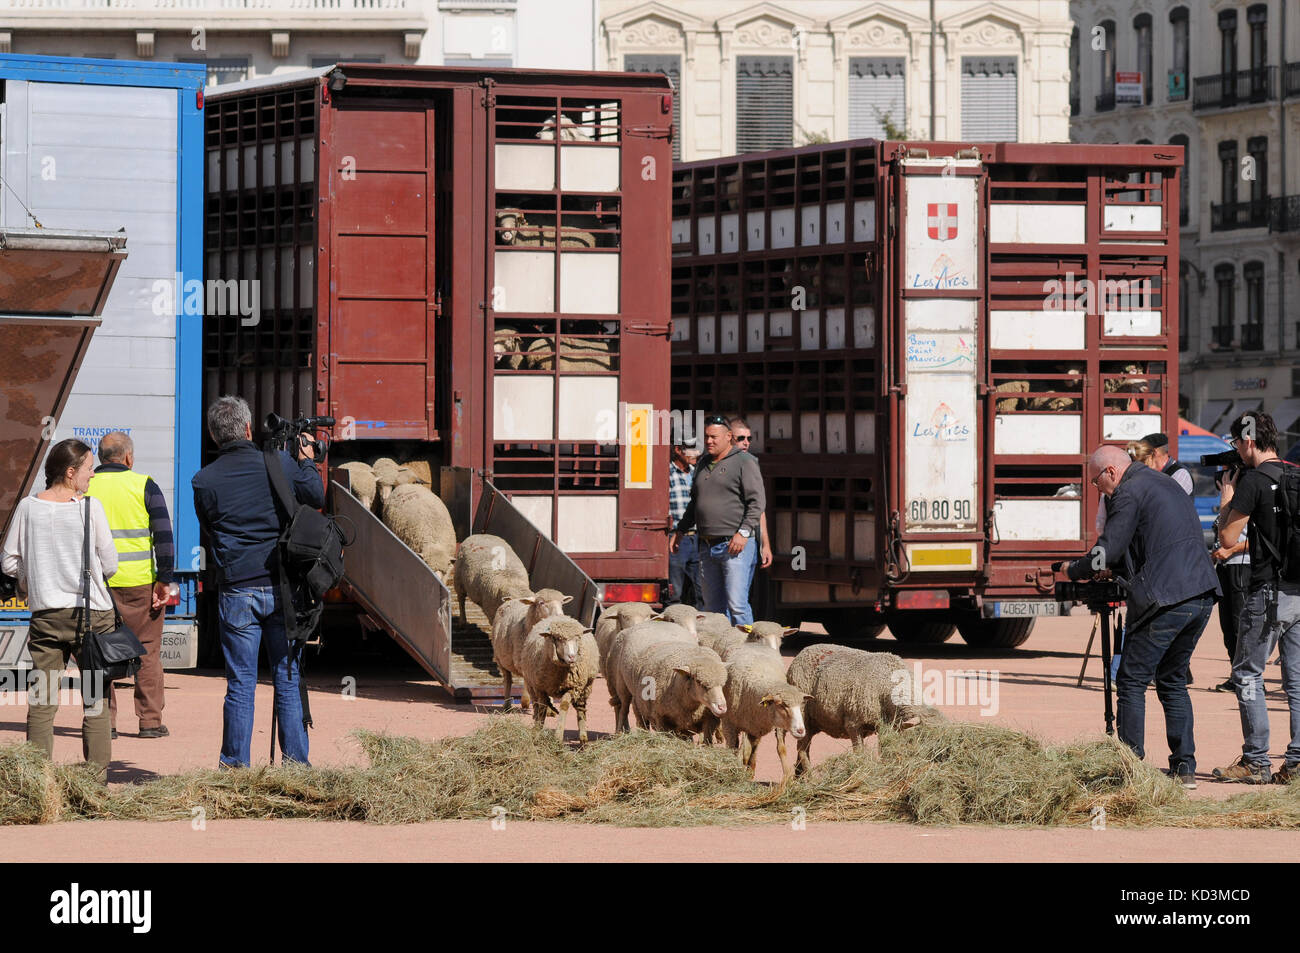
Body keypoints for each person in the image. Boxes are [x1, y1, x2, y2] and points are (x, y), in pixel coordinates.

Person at [1062, 445, 1219, 789]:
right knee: (1173, 681)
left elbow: (1110, 548)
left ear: (1111, 473)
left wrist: (1075, 568)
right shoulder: (1161, 483)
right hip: (1202, 593)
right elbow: (1151, 541)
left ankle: (1129, 770)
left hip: (1167, 597)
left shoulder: (1128, 491)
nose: (1097, 490)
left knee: (1131, 681)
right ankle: (1184, 768)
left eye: (1095, 483)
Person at [192, 395, 324, 768]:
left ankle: (234, 768)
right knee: (286, 676)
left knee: (240, 684)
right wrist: (306, 458)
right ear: (248, 428)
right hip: (281, 587)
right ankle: (296, 766)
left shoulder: (203, 481)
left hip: (236, 589)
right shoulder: (279, 463)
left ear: (215, 436)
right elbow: (316, 495)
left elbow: (211, 529)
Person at [1, 439, 118, 782]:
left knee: (42, 699)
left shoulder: (27, 507)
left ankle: (37, 782)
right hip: (91, 616)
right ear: (70, 473)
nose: (92, 475)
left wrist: (31, 580)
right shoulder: (89, 508)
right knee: (95, 700)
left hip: (46, 616)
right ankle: (94, 782)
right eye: (88, 468)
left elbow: (8, 561)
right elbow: (109, 564)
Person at [1212, 412, 1300, 784]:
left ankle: (1257, 761)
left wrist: (1226, 502)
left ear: (1248, 441)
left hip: (1265, 593)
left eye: (1235, 443)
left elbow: (1228, 540)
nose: (1235, 451)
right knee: (1296, 681)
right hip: (1298, 590)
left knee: (1247, 675)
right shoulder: (1295, 475)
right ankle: (1296, 764)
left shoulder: (1253, 481)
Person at [85, 432, 173, 740]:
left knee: (96, 653)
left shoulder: (86, 486)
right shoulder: (144, 484)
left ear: (99, 458)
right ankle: (150, 722)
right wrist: (165, 580)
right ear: (129, 458)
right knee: (147, 652)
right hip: (140, 585)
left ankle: (103, 725)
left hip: (96, 585)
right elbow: (163, 536)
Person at [669, 414, 764, 625]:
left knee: (737, 605)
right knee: (713, 609)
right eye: (706, 437)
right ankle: (721, 652)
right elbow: (695, 503)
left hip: (735, 545)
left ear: (729, 436)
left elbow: (757, 502)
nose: (709, 441)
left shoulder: (744, 462)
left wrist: (744, 533)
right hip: (707, 546)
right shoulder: (702, 463)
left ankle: (748, 654)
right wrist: (681, 530)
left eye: (714, 437)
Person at [1211, 466, 1250, 694]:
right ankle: (1236, 675)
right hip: (1225, 567)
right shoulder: (1228, 503)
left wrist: (1232, 550)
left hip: (1242, 566)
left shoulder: (1248, 500)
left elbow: (1258, 539)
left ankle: (1250, 678)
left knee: (1240, 625)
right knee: (1228, 627)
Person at [727, 418, 773, 589]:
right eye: (741, 438)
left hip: (747, 542)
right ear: (729, 437)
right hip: (723, 541)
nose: (746, 443)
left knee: (740, 598)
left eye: (749, 439)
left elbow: (759, 509)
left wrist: (765, 546)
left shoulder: (751, 463)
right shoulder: (713, 464)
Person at [666, 436, 700, 606]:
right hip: (677, 539)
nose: (696, 453)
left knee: (700, 590)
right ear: (678, 450)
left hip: (699, 538)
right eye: (691, 448)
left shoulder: (697, 473)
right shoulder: (667, 474)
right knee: (675, 592)